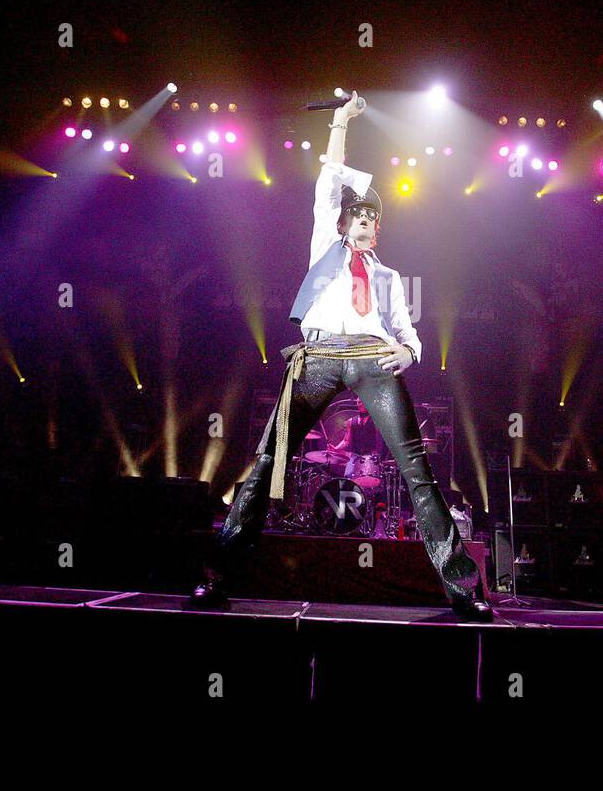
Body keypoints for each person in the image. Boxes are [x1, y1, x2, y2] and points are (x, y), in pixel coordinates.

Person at [191, 91, 492, 620]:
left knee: (417, 472)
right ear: (340, 224)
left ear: (378, 228)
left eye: (372, 219)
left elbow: (406, 329)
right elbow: (332, 176)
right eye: (356, 217)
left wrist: (410, 351)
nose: (365, 223)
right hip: (320, 356)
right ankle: (217, 577)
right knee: (267, 461)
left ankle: (465, 590)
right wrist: (341, 123)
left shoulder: (389, 276)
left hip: (374, 360)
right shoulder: (322, 252)